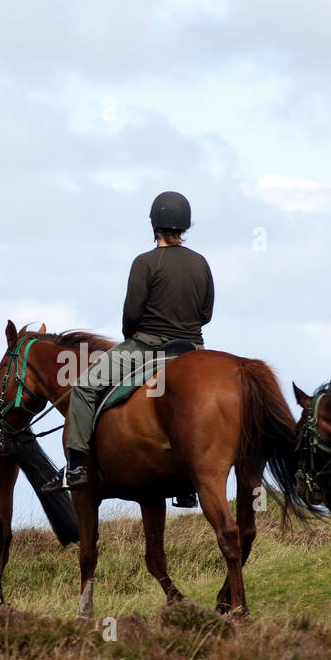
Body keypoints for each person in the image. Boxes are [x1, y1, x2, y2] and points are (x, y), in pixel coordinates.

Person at [44, 191, 214, 492]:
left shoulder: (145, 262)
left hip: (147, 346)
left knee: (84, 387)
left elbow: (132, 312)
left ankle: (77, 467)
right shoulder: (201, 263)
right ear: (185, 227)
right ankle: (186, 488)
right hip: (192, 349)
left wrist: (129, 336)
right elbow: (206, 313)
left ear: (154, 226)